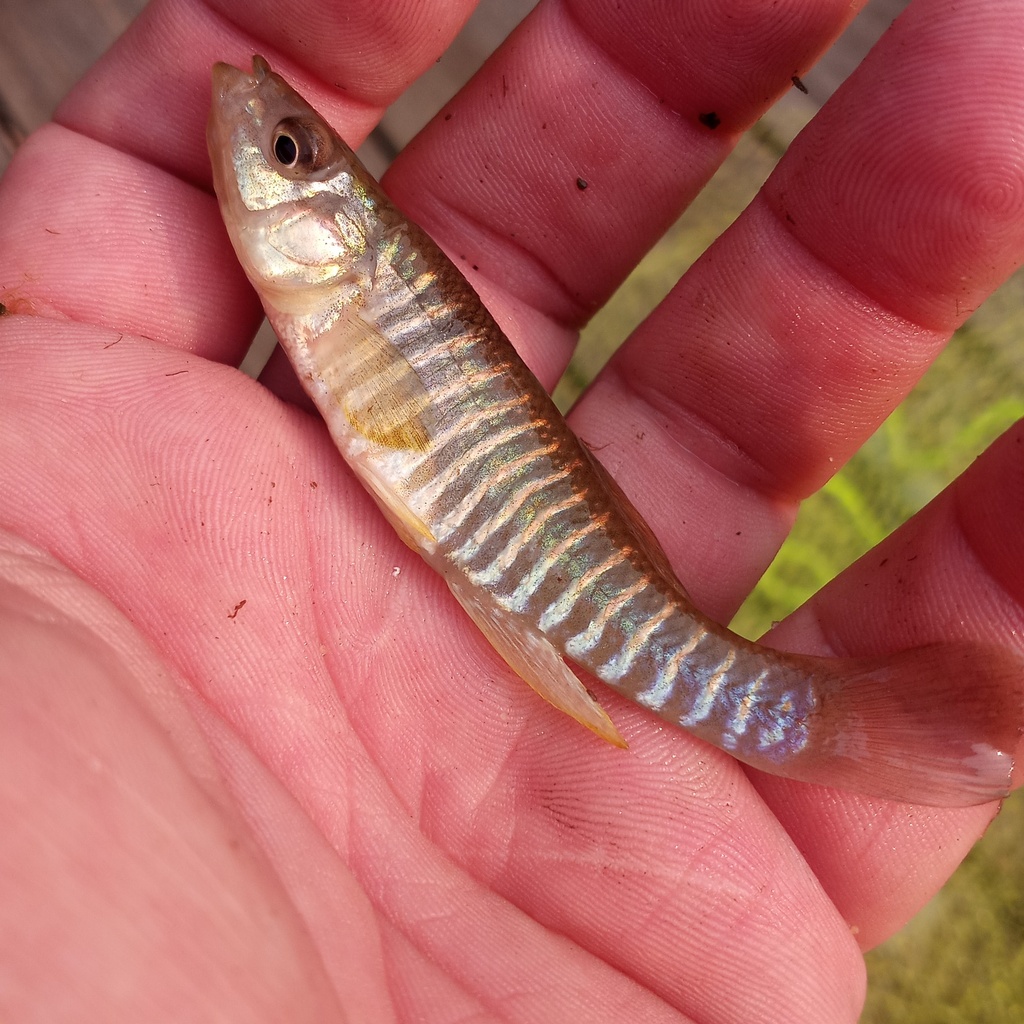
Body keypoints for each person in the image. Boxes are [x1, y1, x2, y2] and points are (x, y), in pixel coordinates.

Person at [0, 0, 1021, 1020]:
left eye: (285, 151)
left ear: (338, 231)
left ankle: (805, 716)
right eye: (289, 148)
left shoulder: (347, 281)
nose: (256, 145)